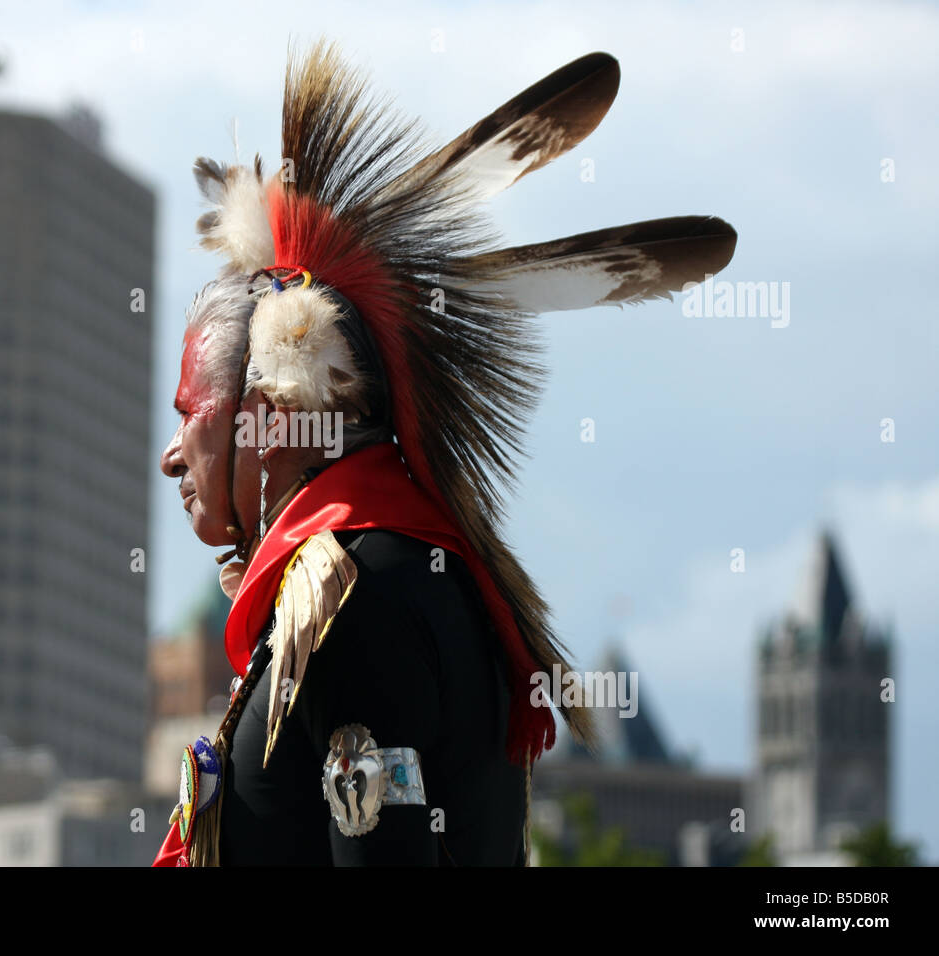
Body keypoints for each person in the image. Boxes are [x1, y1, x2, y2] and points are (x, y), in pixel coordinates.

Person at [153, 39, 737, 867]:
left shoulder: (349, 600)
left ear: (270, 417)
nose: (173, 455)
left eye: (191, 414)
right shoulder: (376, 579)